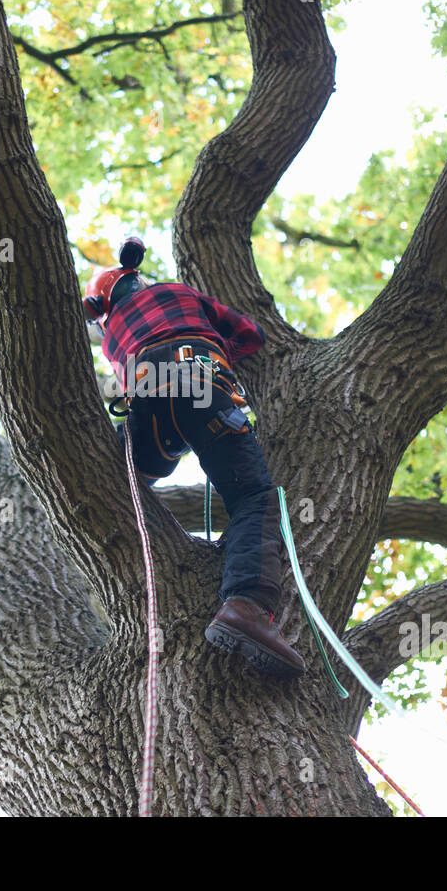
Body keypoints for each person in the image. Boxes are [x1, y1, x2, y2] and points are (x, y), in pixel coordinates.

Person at [83, 238, 305, 679]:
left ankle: (114, 490)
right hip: (200, 384)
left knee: (148, 466)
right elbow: (250, 335)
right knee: (254, 497)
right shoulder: (177, 294)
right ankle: (246, 607)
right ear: (136, 278)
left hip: (147, 397)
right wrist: (217, 349)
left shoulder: (112, 339)